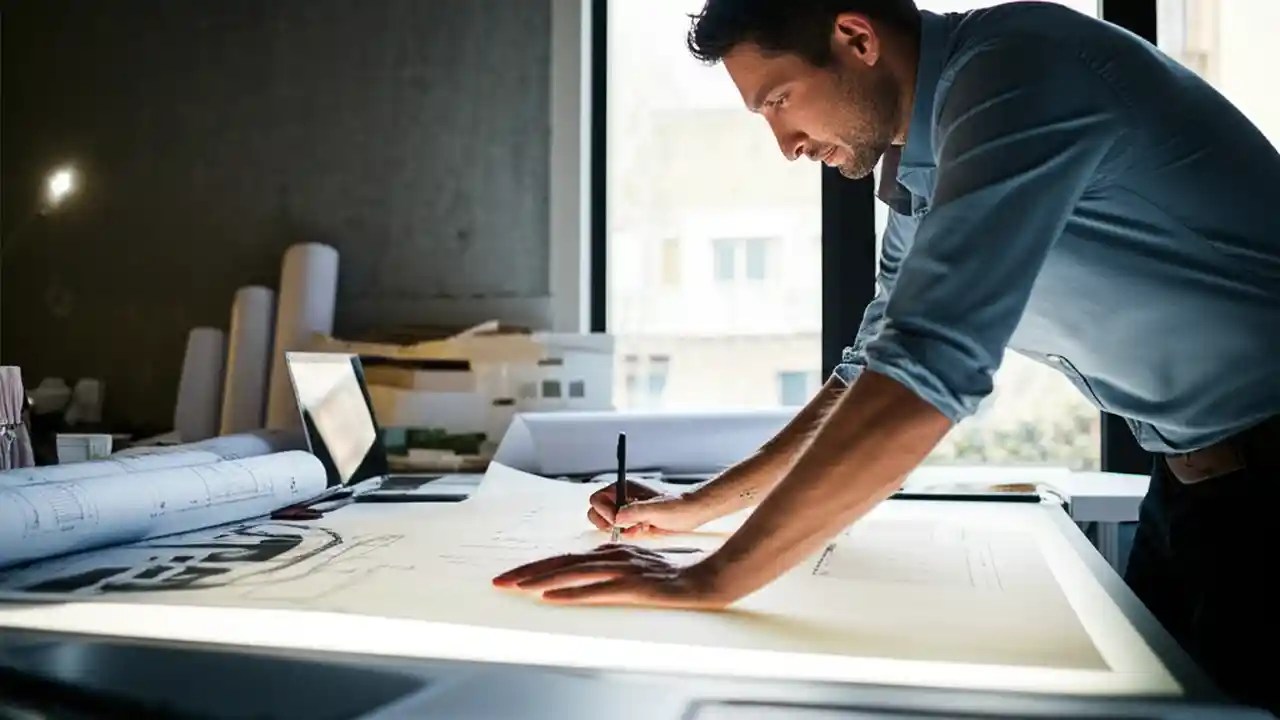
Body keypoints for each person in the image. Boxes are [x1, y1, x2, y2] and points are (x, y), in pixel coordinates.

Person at [494, 0, 1280, 713]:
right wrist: (696, 509)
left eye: (778, 101)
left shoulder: (1020, 69)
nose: (786, 145)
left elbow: (926, 371)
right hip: (1196, 489)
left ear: (856, 37)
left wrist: (716, 577)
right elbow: (868, 371)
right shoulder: (924, 160)